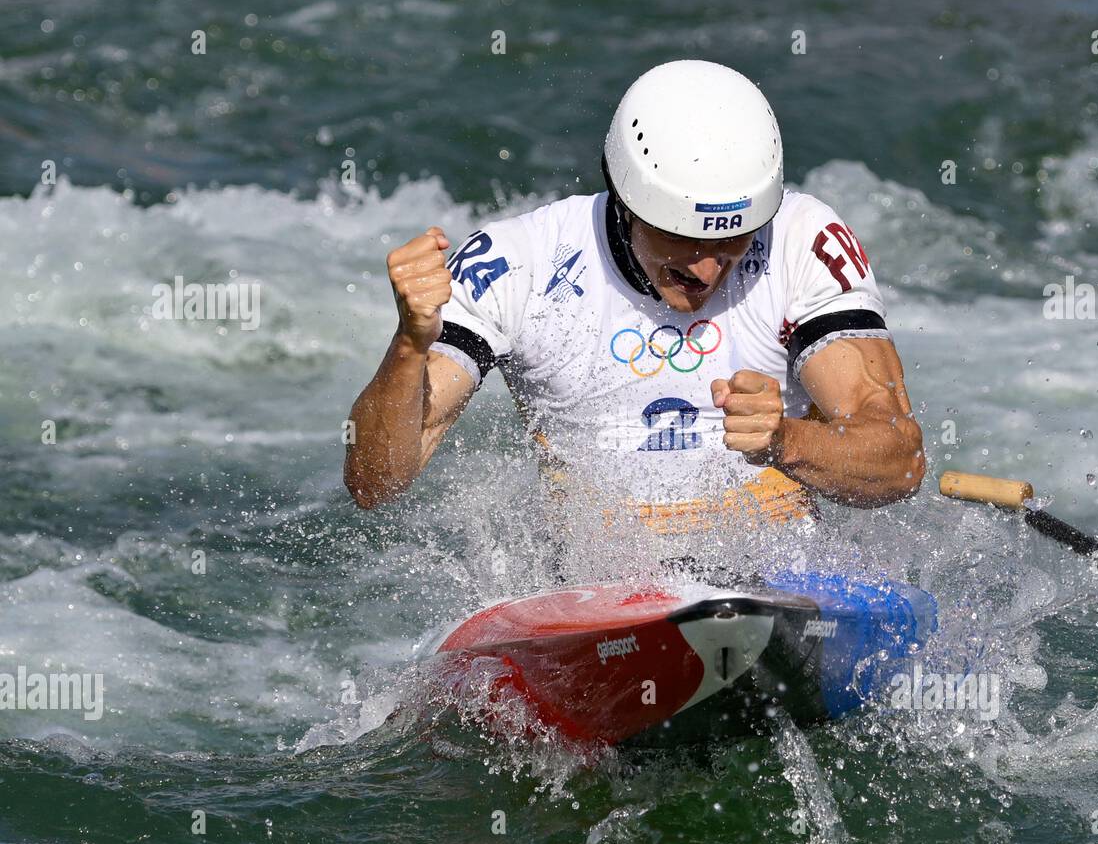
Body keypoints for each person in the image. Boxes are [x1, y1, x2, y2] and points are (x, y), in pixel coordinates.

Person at [345, 60, 924, 535]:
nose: (705, 269)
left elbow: (900, 462)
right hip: (600, 597)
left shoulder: (804, 240)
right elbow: (373, 481)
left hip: (777, 581)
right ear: (625, 203)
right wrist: (408, 347)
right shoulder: (518, 260)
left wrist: (784, 441)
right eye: (683, 239)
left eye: (729, 242)